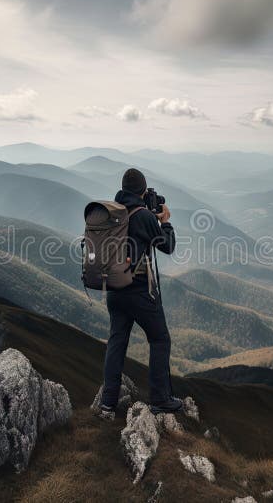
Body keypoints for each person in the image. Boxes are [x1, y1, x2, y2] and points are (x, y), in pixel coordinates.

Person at [98, 168, 181, 416]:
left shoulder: (113, 212)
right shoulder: (143, 215)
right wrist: (165, 222)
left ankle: (107, 402)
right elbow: (167, 246)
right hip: (137, 290)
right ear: (143, 191)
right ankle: (160, 399)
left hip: (113, 289)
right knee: (159, 339)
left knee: (117, 342)